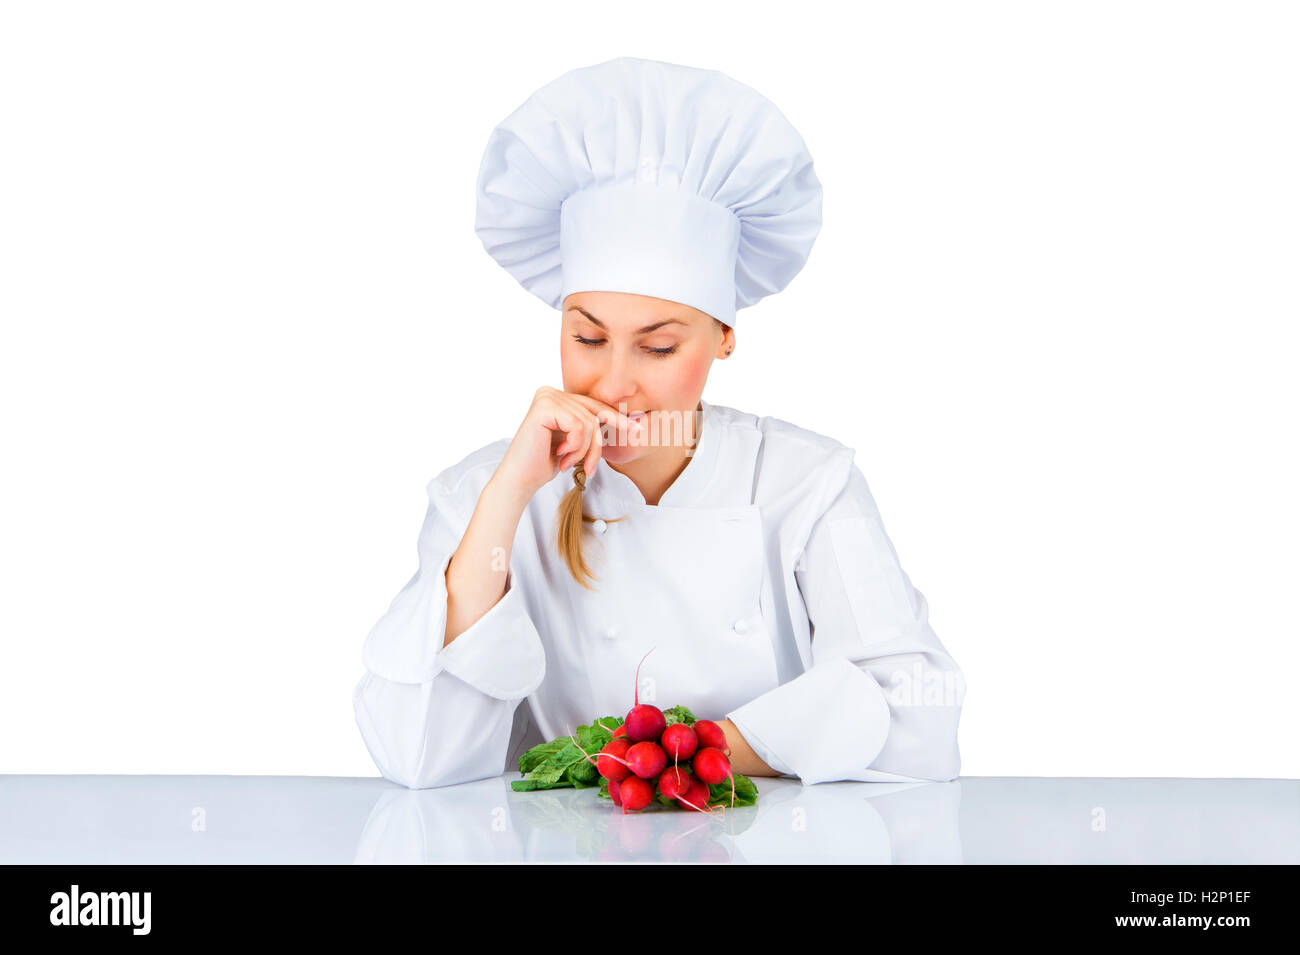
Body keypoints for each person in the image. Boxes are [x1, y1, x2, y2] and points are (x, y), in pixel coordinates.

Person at [353, 57, 964, 789]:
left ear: (724, 338)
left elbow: (916, 718)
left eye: (659, 344)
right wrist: (510, 494)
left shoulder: (805, 482)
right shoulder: (482, 494)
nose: (615, 382)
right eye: (587, 336)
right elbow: (417, 753)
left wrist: (688, 753)